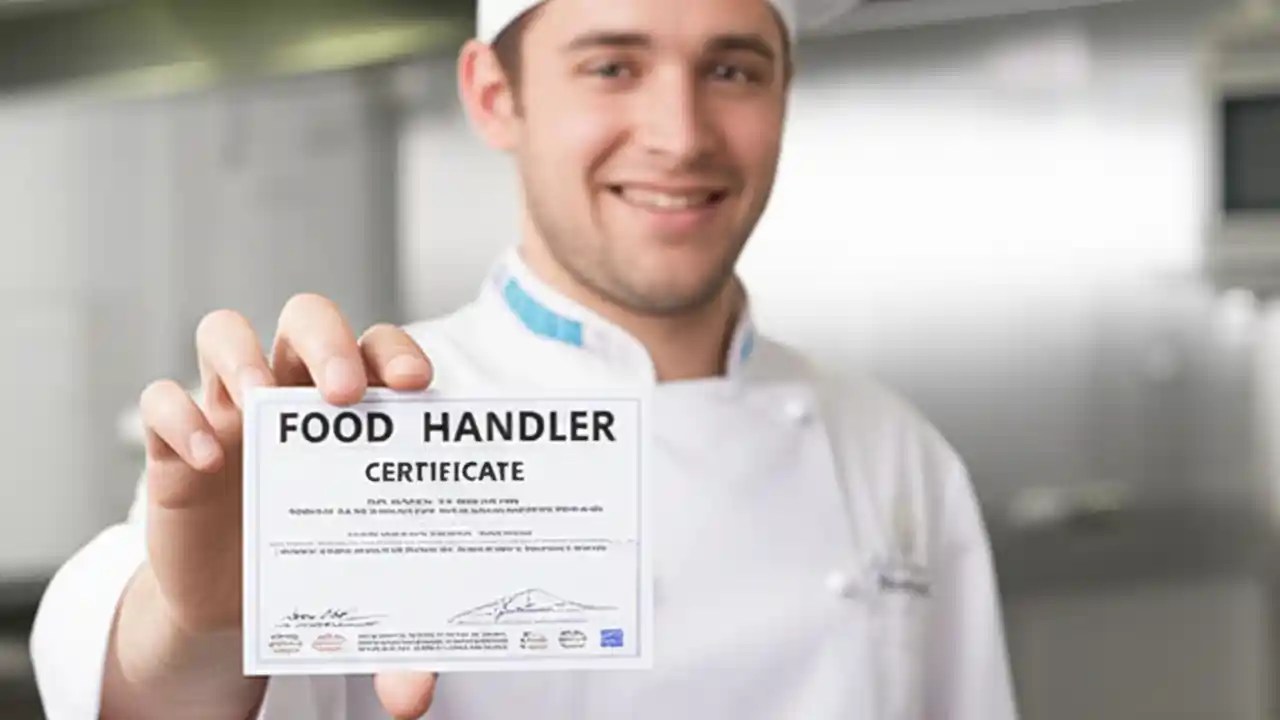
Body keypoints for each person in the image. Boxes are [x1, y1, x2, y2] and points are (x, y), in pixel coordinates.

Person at [30, 0, 1019, 717]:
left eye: (732, 70)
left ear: (784, 94)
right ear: (494, 95)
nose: (681, 137)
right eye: (612, 66)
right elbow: (148, 686)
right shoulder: (353, 426)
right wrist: (191, 627)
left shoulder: (893, 450)